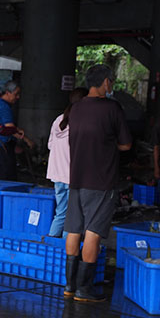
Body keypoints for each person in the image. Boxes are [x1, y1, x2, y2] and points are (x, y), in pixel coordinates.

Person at [64, 64, 132, 302]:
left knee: (74, 229)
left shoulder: (76, 108)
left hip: (76, 179)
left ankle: (70, 287)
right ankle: (84, 290)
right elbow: (126, 145)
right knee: (92, 233)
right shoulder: (112, 108)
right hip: (101, 181)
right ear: (105, 82)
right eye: (110, 81)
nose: (111, 86)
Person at [46, 87, 88, 237]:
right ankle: (66, 252)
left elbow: (50, 145)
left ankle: (50, 244)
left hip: (57, 175)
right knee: (73, 217)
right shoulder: (82, 121)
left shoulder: (59, 119)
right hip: (72, 176)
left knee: (61, 213)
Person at [0, 80, 33, 180]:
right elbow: (10, 129)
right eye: (16, 94)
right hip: (1, 148)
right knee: (5, 177)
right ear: (8, 93)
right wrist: (28, 141)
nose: (18, 97)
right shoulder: (4, 107)